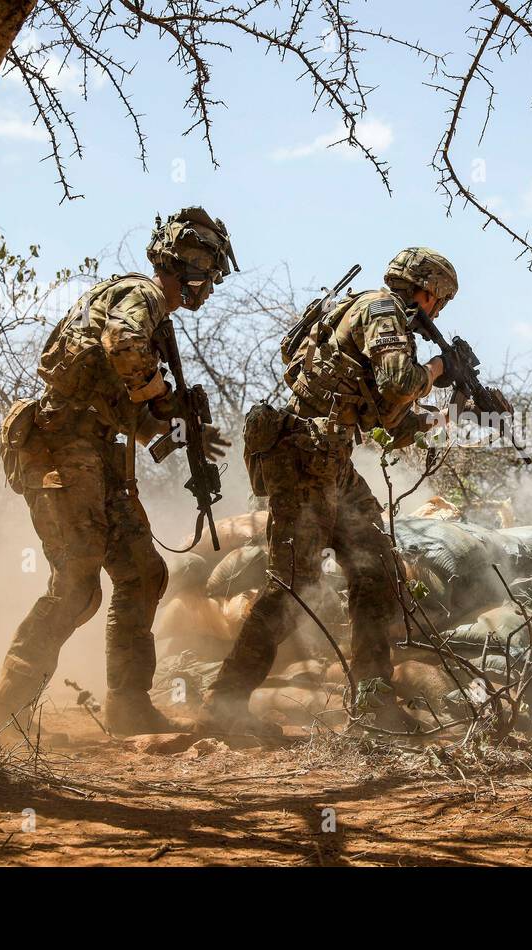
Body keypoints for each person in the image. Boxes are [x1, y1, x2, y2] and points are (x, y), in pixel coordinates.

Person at [0, 207, 235, 740]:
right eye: (209, 272)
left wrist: (176, 434)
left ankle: (128, 706)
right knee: (77, 585)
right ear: (190, 264)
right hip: (62, 444)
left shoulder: (154, 314)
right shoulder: (140, 297)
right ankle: (4, 715)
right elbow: (123, 348)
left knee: (143, 574)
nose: (211, 286)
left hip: (96, 450)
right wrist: (165, 400)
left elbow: (123, 402)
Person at [201, 247, 459, 734]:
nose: (438, 312)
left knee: (376, 568)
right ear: (425, 290)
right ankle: (224, 704)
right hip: (305, 457)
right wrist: (439, 370)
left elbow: (385, 417)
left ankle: (374, 704)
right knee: (293, 585)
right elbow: (400, 379)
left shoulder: (364, 312)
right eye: (439, 301)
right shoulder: (383, 312)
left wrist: (443, 415)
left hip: (328, 460)